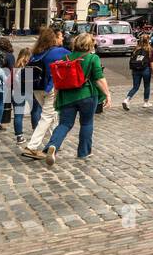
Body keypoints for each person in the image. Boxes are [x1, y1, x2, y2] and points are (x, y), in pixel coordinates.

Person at [42, 32, 110, 165]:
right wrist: (107, 94)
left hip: (67, 96)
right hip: (87, 95)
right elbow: (99, 78)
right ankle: (83, 152)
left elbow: (58, 81)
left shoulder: (65, 57)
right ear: (90, 44)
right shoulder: (92, 58)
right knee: (86, 123)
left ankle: (53, 145)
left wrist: (56, 97)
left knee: (64, 124)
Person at [21, 27, 70, 160]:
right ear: (54, 38)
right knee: (47, 117)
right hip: (51, 87)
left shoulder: (37, 52)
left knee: (52, 115)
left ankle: (54, 142)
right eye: (60, 36)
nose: (63, 38)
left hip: (36, 87)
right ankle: (32, 146)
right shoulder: (59, 51)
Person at [123, 33, 153, 109]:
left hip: (135, 70)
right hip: (145, 70)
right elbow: (152, 62)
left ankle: (127, 99)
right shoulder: (150, 50)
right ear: (148, 40)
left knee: (135, 87)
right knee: (147, 86)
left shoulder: (136, 49)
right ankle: (146, 102)